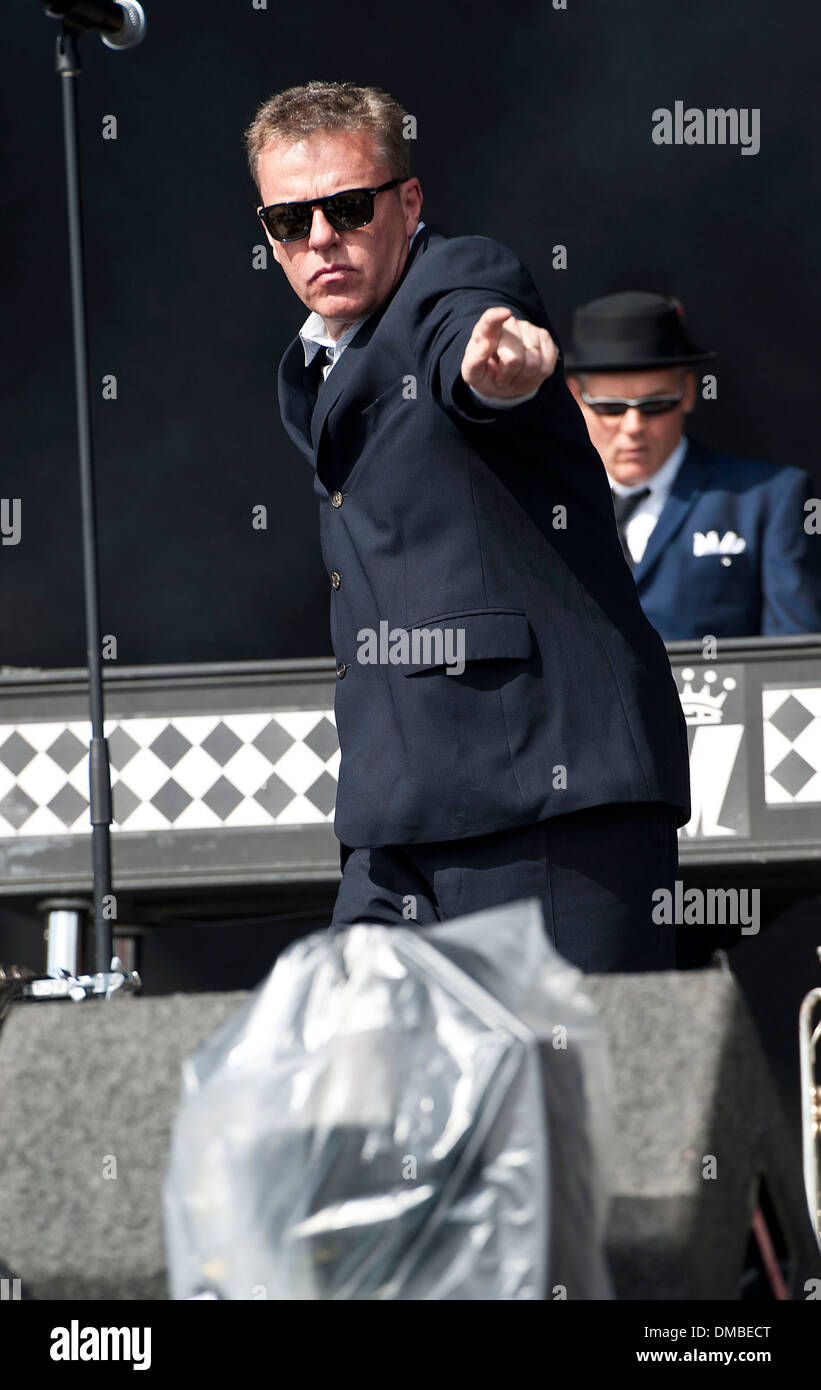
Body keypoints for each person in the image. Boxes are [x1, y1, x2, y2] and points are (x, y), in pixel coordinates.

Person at [245, 80, 690, 972]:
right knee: (364, 1088)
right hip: (396, 814)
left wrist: (499, 370)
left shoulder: (456, 275)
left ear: (407, 201)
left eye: (347, 207)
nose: (321, 238)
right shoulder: (315, 358)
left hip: (547, 798)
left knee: (570, 1104)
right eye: (290, 222)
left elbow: (471, 346)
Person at [565, 291, 821, 639]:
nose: (633, 425)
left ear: (687, 391)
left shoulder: (768, 499)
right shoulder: (545, 505)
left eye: (656, 403)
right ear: (576, 398)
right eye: (611, 407)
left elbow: (793, 663)